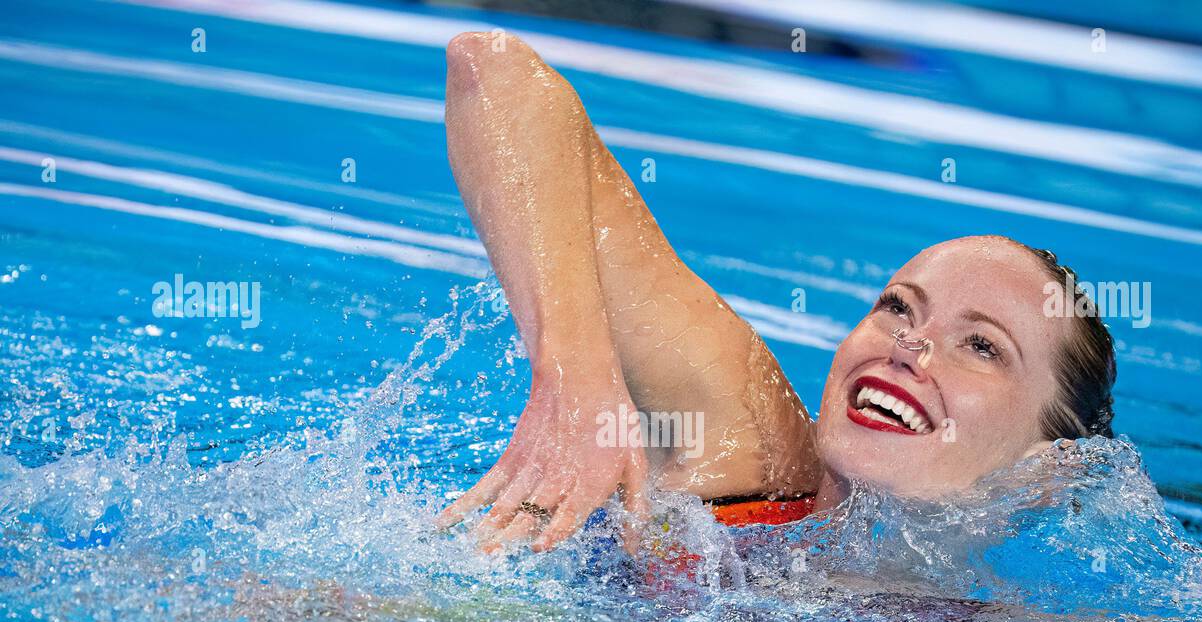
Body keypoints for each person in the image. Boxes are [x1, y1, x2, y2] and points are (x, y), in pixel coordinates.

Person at [433, 31, 1115, 553]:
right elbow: (490, 69)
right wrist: (575, 381)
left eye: (981, 346)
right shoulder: (748, 452)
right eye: (898, 307)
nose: (912, 343)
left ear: (1044, 474)